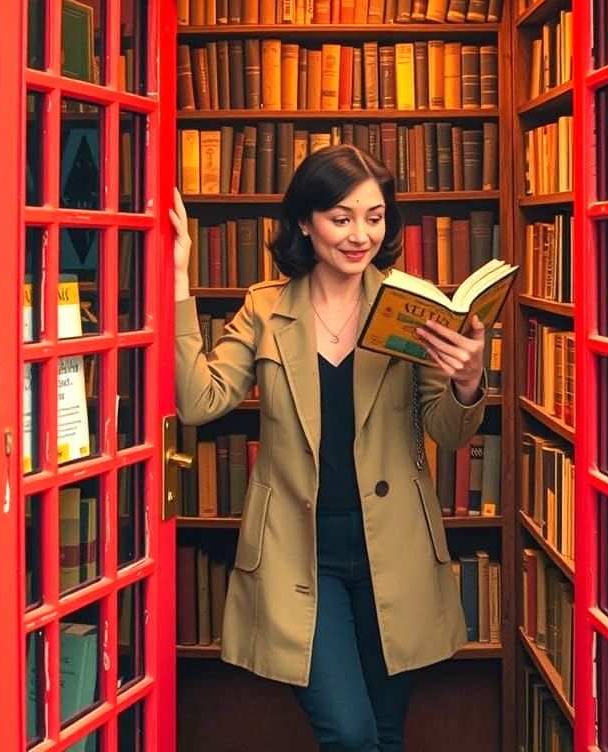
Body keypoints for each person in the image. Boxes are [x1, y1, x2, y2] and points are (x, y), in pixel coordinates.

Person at [170, 144, 487, 752]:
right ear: (304, 223)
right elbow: (198, 402)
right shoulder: (266, 307)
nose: (360, 235)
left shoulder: (410, 305)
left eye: (374, 216)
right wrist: (181, 283)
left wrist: (468, 382)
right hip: (299, 550)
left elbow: (447, 431)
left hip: (394, 550)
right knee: (350, 732)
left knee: (386, 732)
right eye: (342, 218)